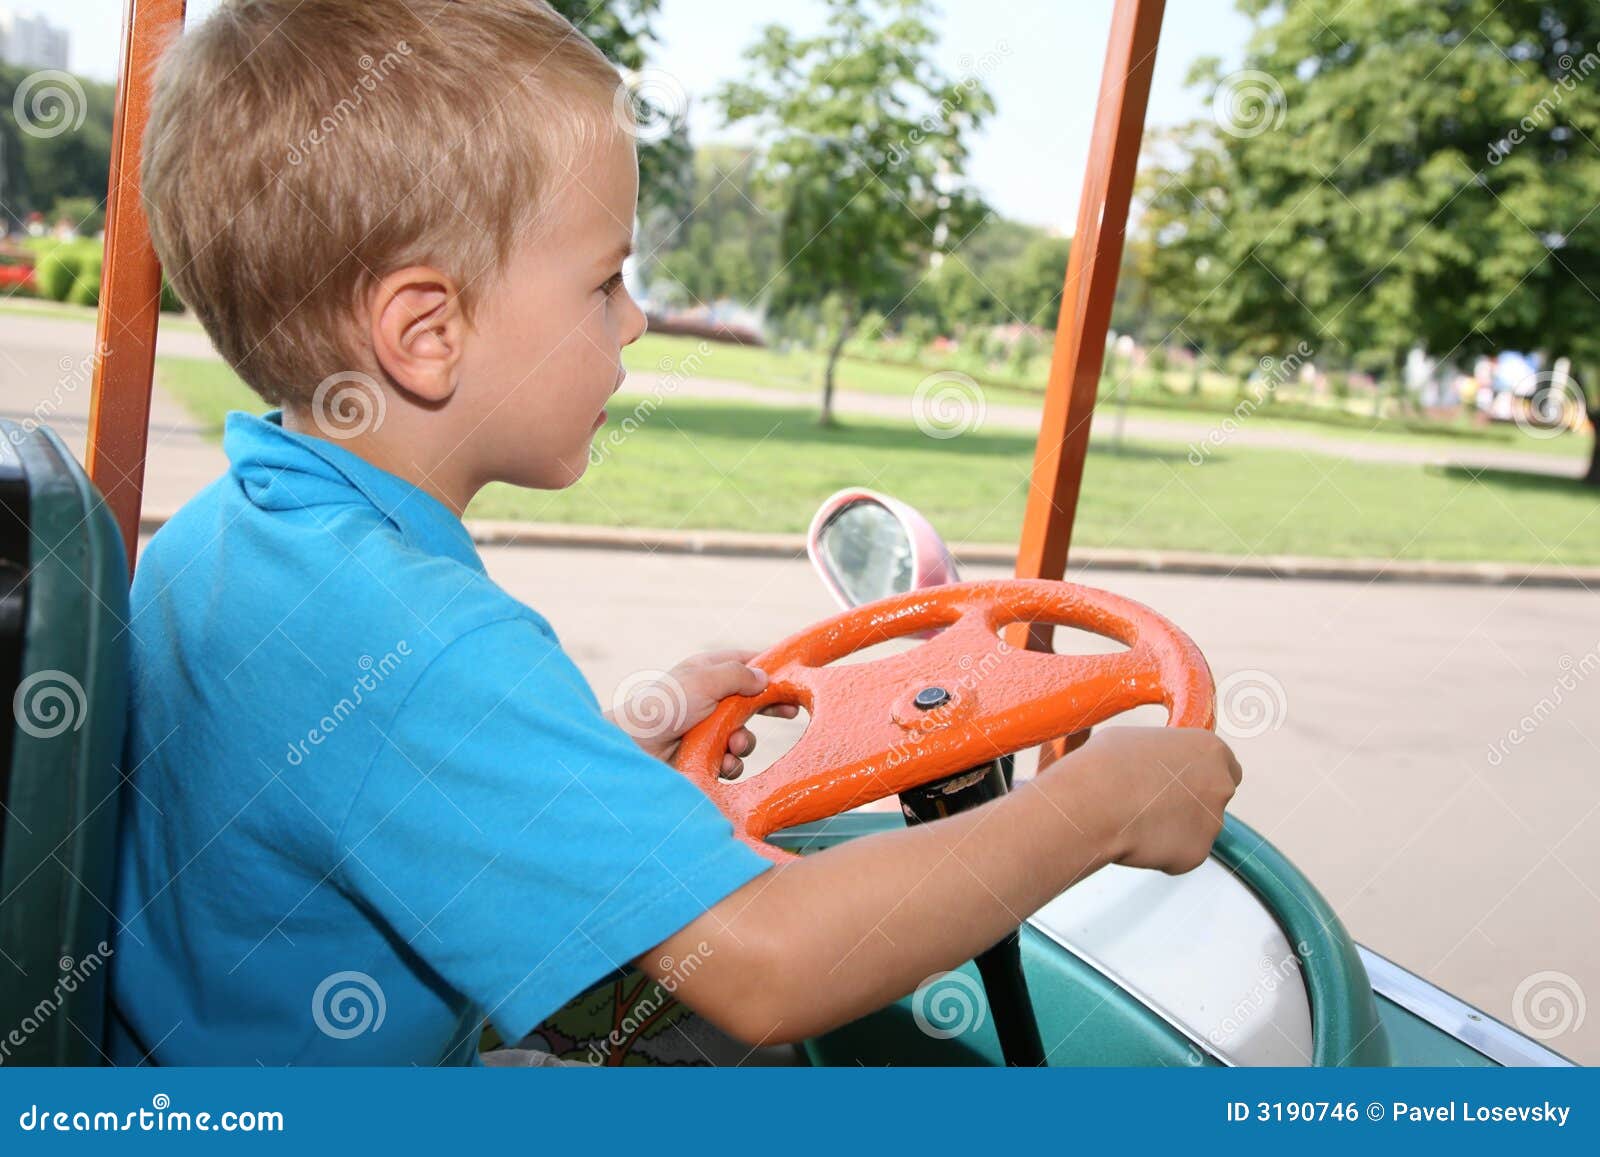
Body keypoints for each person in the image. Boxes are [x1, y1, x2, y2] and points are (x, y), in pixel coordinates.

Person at [110, 0, 1241, 1066]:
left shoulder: (221, 537)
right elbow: (766, 963)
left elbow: (377, 786)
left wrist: (600, 755)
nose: (639, 318)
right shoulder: (422, 639)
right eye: (605, 280)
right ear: (427, 328)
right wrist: (1091, 806)